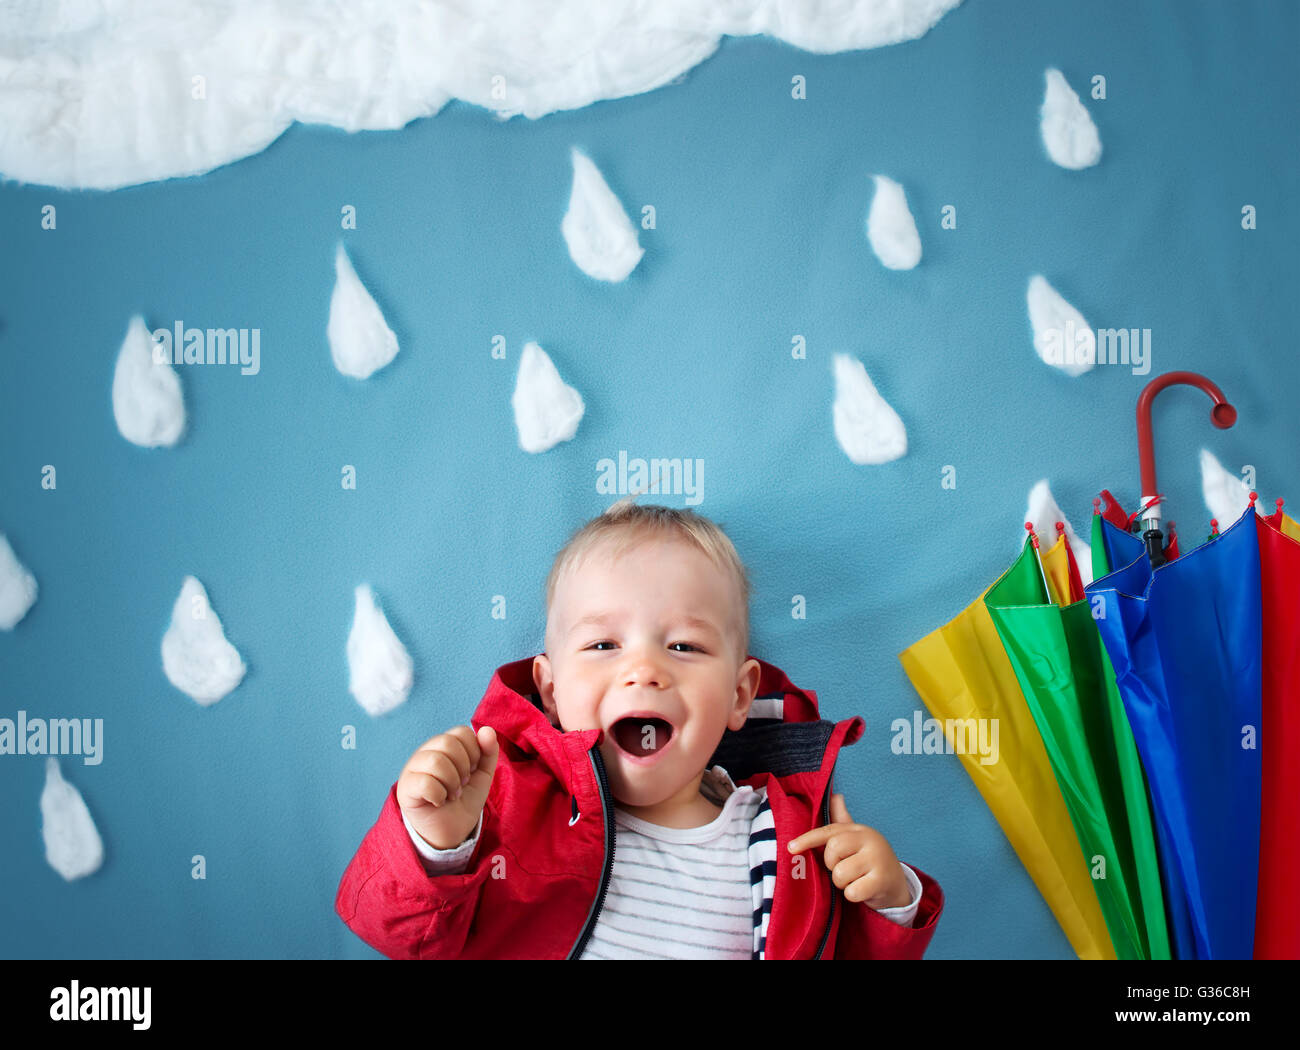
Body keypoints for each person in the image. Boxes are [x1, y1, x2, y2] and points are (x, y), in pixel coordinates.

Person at [335, 496, 943, 958]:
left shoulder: (787, 840)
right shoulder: (508, 806)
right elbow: (396, 934)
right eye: (604, 644)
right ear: (551, 692)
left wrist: (888, 901)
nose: (644, 670)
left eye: (683, 646)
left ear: (739, 695)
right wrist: (436, 845)